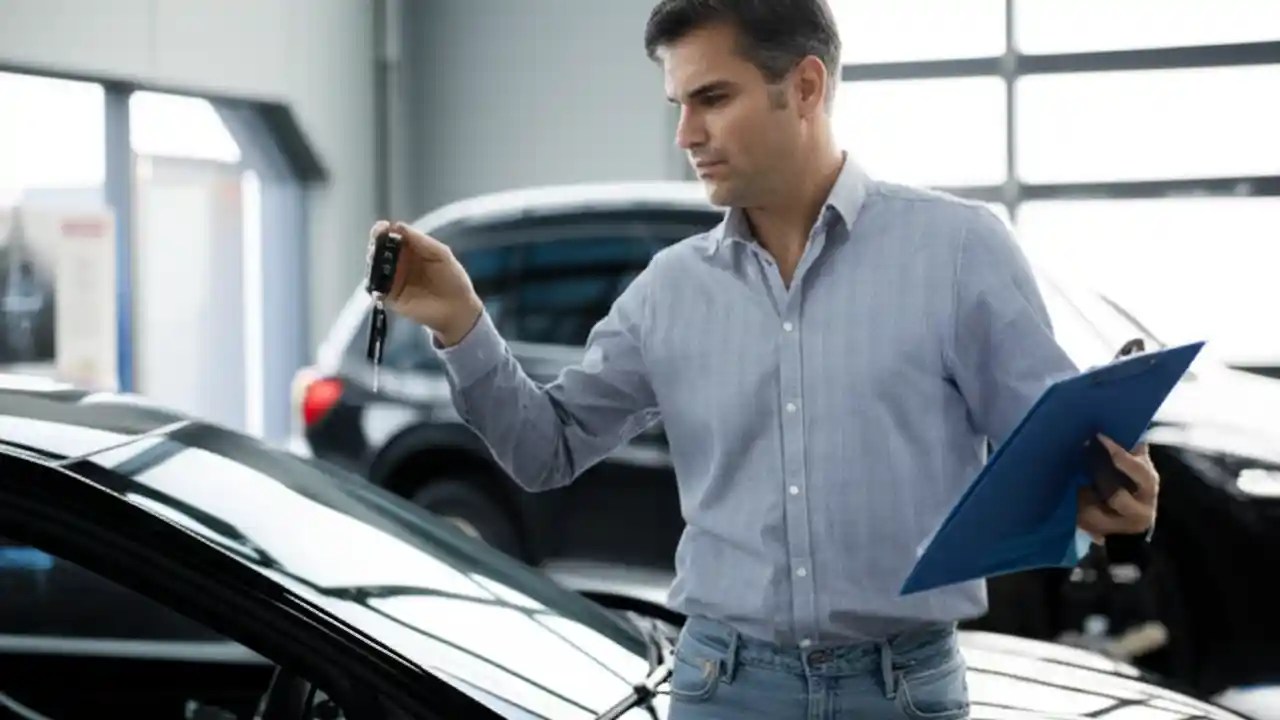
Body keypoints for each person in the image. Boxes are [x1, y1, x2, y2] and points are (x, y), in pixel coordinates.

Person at [369, 1, 1160, 716]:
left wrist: (1107, 492)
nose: (686, 135)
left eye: (713, 99)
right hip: (724, 689)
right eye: (679, 106)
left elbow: (1053, 458)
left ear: (807, 87)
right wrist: (461, 322)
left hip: (903, 693)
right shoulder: (669, 291)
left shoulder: (957, 251)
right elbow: (547, 451)